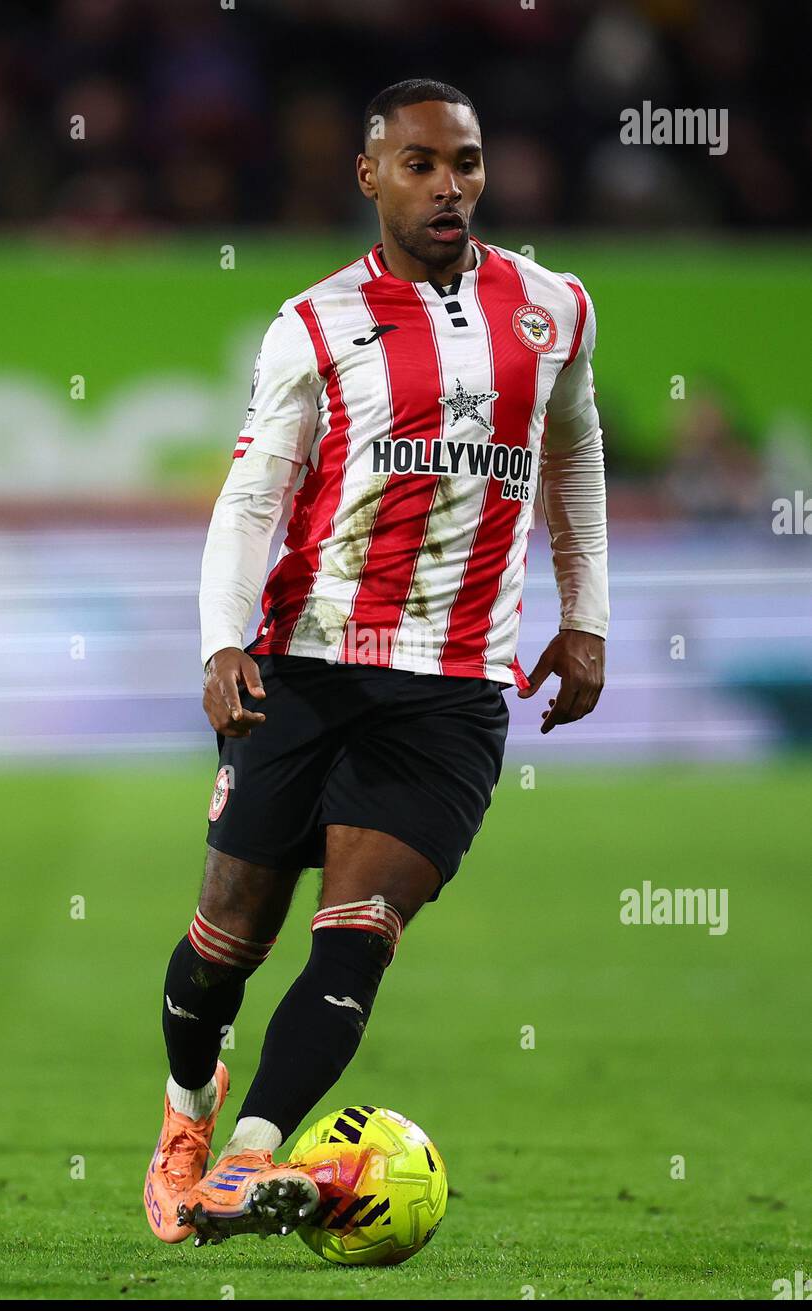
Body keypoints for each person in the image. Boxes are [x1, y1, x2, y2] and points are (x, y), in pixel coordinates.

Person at [144, 78, 609, 1247]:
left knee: (356, 932)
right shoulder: (312, 324)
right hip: (304, 663)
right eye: (420, 163)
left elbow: (576, 454)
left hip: (452, 687)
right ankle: (187, 1110)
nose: (448, 183)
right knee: (223, 944)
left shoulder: (554, 309)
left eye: (465, 161)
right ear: (370, 177)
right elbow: (252, 497)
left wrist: (586, 614)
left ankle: (245, 1163)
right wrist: (219, 640)